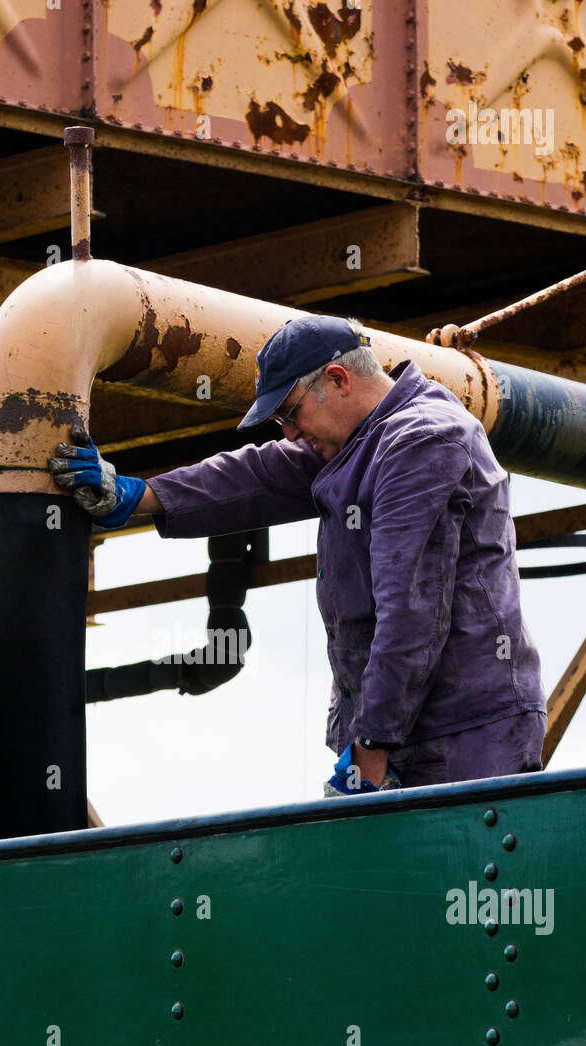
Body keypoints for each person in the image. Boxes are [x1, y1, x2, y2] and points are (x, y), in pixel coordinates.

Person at [50, 314, 547, 792]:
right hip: (404, 732)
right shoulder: (362, 439)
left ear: (338, 379)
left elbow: (410, 611)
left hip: (462, 732)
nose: (288, 431)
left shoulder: (421, 441)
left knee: (464, 874)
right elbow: (256, 475)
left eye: (290, 413)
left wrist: (371, 749)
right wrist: (140, 495)